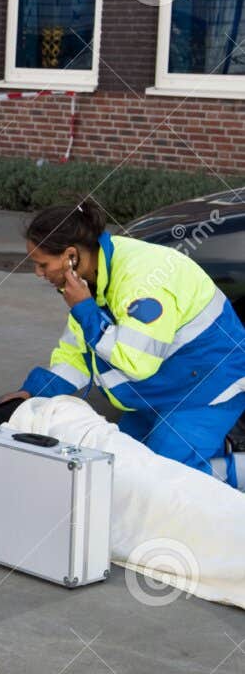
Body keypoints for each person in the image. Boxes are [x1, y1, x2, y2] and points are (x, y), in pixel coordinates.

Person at [20, 198, 245, 477]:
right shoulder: (90, 282)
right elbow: (76, 354)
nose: (38, 273)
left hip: (211, 383)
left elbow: (136, 362)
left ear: (70, 256)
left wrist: (86, 311)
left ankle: (229, 473)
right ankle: (207, 452)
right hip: (166, 385)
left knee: (167, 478)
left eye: (42, 264)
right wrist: (32, 393)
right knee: (120, 467)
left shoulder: (141, 281)